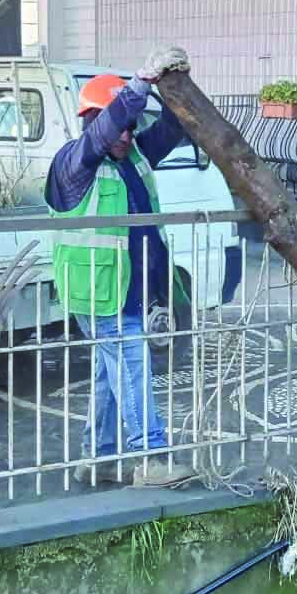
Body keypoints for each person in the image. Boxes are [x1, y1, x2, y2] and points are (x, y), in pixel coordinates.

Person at [45, 47, 196, 486]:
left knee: (109, 377)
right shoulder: (74, 163)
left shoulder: (132, 156)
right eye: (119, 126)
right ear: (92, 121)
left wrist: (176, 84)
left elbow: (173, 127)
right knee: (132, 368)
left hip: (127, 291)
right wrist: (139, 83)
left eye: (132, 127)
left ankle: (98, 459)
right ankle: (150, 459)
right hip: (98, 293)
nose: (128, 134)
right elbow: (109, 126)